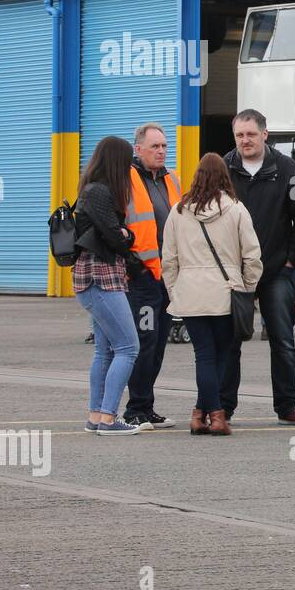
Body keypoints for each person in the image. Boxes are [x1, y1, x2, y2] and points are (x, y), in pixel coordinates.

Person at [219, 109, 295, 426]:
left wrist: (292, 261)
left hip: (276, 271)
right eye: (239, 135)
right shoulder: (224, 169)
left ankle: (288, 407)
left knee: (283, 341)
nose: (245, 140)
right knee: (230, 341)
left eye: (250, 134)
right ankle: (223, 408)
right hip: (234, 274)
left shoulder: (287, 170)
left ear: (265, 134)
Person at [162, 153, 263, 436]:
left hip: (190, 293)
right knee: (221, 355)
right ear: (224, 177)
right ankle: (216, 416)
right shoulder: (236, 210)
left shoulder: (178, 211)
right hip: (226, 291)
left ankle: (200, 413)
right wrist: (248, 286)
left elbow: (168, 259)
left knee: (203, 355)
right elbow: (252, 255)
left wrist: (175, 289)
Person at [73, 136, 142, 435]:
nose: (130, 169)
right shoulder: (99, 192)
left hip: (95, 274)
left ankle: (96, 416)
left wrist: (123, 235)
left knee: (105, 350)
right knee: (128, 347)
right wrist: (127, 237)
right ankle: (109, 418)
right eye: (127, 162)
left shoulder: (91, 189)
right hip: (101, 275)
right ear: (117, 162)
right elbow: (113, 236)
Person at [123, 122, 182, 430]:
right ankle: (135, 408)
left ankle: (147, 406)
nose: (161, 151)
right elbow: (115, 227)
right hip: (141, 277)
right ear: (138, 149)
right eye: (155, 146)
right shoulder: (125, 180)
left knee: (159, 342)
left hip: (167, 276)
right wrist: (133, 265)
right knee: (143, 341)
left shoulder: (172, 180)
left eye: (164, 146)